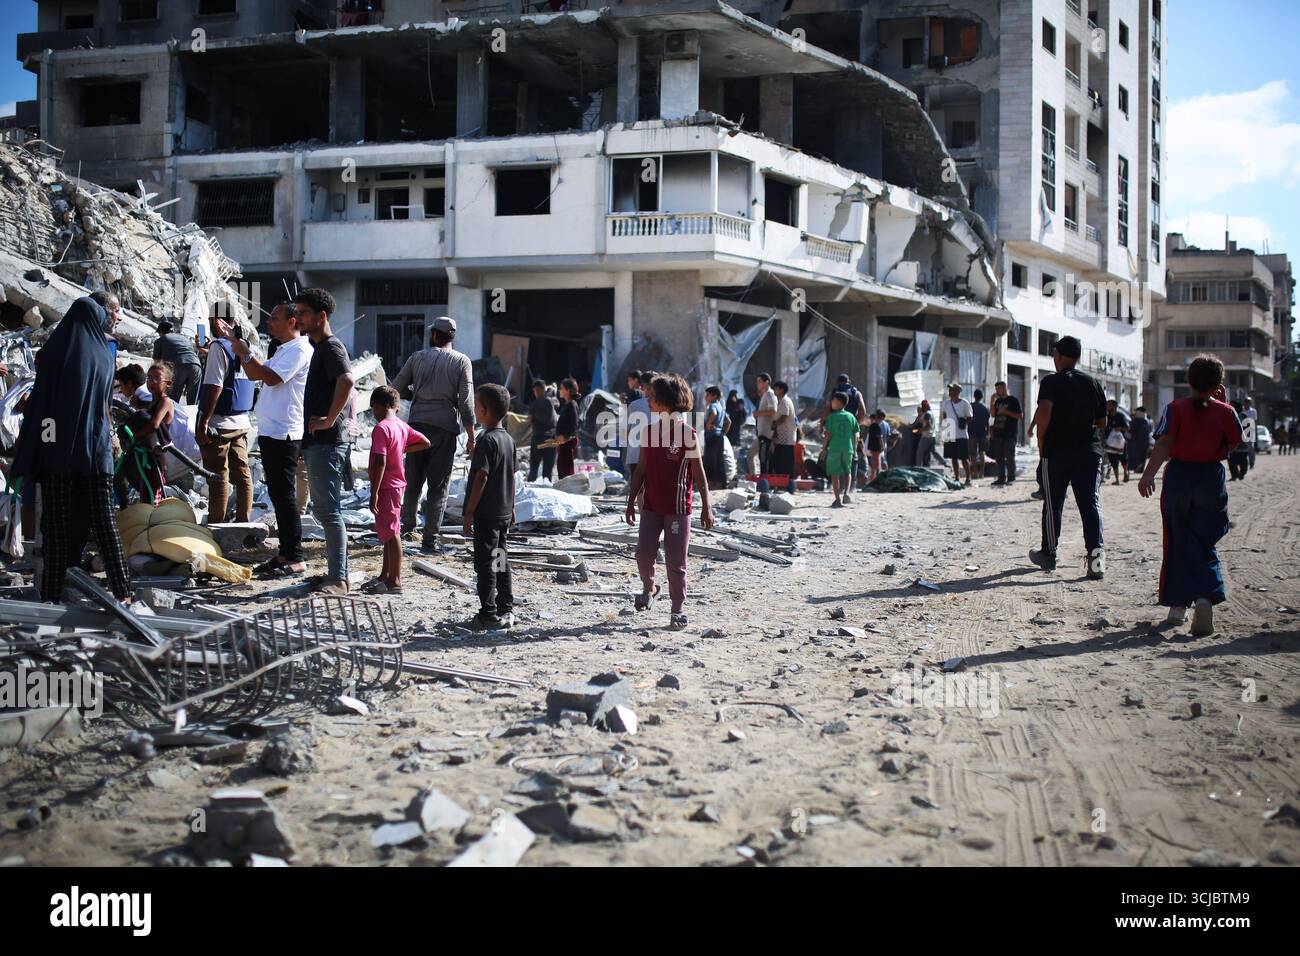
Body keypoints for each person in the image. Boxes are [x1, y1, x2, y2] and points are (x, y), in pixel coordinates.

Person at [11, 297, 132, 603]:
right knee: (105, 524)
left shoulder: (55, 353)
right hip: (96, 451)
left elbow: (44, 407)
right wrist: (109, 439)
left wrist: (44, 442)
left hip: (59, 454)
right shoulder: (104, 356)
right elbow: (103, 407)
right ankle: (124, 592)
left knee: (55, 528)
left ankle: (50, 594)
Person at [1138, 354, 1244, 637]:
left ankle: (1177, 607)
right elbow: (1234, 443)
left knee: (1177, 537)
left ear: (1188, 380)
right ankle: (1205, 597)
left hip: (1179, 477)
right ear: (1218, 383)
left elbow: (1164, 442)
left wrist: (1148, 474)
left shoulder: (1176, 408)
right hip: (1210, 477)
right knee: (1204, 538)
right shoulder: (1226, 412)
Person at [624, 373, 714, 630]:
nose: (648, 400)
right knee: (643, 554)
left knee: (676, 563)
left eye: (652, 396)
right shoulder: (649, 432)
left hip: (677, 510)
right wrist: (631, 501)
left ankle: (677, 609)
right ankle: (650, 589)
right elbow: (640, 470)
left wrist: (707, 507)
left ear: (667, 400)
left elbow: (699, 475)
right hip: (651, 506)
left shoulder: (688, 434)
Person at [234, 303, 313, 579]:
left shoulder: (300, 349)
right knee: (279, 497)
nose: (269, 323)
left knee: (285, 496)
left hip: (285, 433)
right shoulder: (284, 348)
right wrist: (242, 353)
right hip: (272, 431)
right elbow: (257, 373)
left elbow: (269, 378)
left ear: (293, 321)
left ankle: (296, 556)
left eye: (275, 318)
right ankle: (285, 553)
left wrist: (245, 354)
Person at [391, 316, 476, 555]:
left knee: (413, 479)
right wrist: (471, 436)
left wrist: (409, 395)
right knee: (439, 485)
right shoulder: (461, 361)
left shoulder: (417, 358)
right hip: (445, 428)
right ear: (452, 337)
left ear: (433, 335)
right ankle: (430, 540)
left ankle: (407, 528)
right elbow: (466, 402)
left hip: (416, 425)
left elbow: (396, 387)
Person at [1028, 336, 1108, 578]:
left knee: (1053, 504)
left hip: (1057, 451)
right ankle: (1097, 562)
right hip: (1089, 452)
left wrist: (1041, 441)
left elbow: (1044, 411)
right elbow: (1102, 421)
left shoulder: (1051, 382)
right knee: (1090, 504)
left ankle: (1049, 554)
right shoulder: (1093, 382)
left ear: (1059, 356)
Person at [297, 288, 355, 595]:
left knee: (330, 512)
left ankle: (339, 579)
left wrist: (329, 419)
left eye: (303, 313)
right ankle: (335, 573)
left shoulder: (331, 347)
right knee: (324, 511)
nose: (299, 318)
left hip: (328, 442)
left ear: (321, 316)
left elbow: (347, 381)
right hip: (319, 442)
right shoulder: (320, 348)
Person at [364, 386, 430, 595]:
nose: (373, 413)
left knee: (392, 534)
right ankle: (385, 574)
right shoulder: (401, 426)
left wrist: (374, 491)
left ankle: (395, 581)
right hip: (396, 484)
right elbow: (424, 442)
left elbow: (381, 461)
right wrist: (401, 448)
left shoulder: (382, 428)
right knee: (387, 531)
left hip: (386, 485)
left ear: (380, 405)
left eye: (373, 408)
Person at [463, 383, 517, 630]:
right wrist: (513, 507)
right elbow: (512, 476)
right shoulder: (508, 439)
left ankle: (489, 613)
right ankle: (506, 606)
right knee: (500, 558)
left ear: (484, 410)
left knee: (485, 562)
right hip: (504, 512)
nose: (474, 410)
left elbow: (481, 477)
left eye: (476, 406)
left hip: (486, 513)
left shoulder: (487, 441)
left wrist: (470, 512)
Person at [195, 313, 255, 524]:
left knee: (218, 476)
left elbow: (214, 386)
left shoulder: (218, 348)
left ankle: (216, 526)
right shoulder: (245, 346)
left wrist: (203, 421)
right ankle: (243, 525)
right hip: (242, 422)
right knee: (243, 476)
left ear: (214, 322)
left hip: (219, 425)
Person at [119, 361, 176, 506]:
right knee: (145, 492)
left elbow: (154, 424)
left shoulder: (165, 402)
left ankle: (153, 523)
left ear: (168, 383)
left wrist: (133, 439)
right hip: (146, 455)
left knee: (152, 496)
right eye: (149, 378)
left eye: (157, 379)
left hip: (155, 458)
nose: (151, 382)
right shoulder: (151, 401)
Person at [153, 320, 202, 404]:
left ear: (161, 332)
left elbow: (157, 363)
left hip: (179, 365)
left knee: (172, 401)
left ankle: (171, 415)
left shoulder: (162, 339)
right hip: (196, 365)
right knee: (193, 401)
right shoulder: (184, 338)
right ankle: (194, 416)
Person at [822, 391, 858, 506]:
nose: (832, 402)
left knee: (834, 474)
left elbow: (828, 435)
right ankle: (846, 494)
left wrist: (823, 449)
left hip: (834, 449)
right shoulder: (851, 417)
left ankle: (837, 499)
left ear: (839, 402)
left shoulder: (831, 418)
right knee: (848, 472)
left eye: (833, 400)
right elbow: (856, 435)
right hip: (848, 448)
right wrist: (855, 450)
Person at [989, 380, 1022, 486]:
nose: (997, 391)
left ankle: (1011, 478)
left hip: (1009, 434)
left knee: (1010, 457)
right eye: (996, 389)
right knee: (999, 457)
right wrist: (992, 401)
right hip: (998, 433)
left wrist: (1006, 412)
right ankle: (1001, 478)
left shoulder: (1013, 400)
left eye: (999, 388)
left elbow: (1020, 416)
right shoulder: (997, 401)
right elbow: (993, 415)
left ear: (1004, 388)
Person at [940, 383, 973, 486]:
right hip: (950, 433)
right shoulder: (946, 403)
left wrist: (962, 423)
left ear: (958, 392)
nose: (950, 392)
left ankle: (968, 478)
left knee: (964, 458)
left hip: (961, 434)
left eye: (952, 390)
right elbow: (944, 415)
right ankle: (957, 477)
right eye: (949, 390)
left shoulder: (964, 403)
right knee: (953, 457)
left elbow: (970, 417)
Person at [624, 371, 653, 478]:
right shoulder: (663, 406)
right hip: (655, 456)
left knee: (638, 488)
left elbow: (626, 432)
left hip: (636, 455)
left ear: (642, 387)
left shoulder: (633, 405)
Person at [527, 380, 558, 481]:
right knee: (547, 470)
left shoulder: (534, 404)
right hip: (550, 439)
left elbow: (530, 420)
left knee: (534, 467)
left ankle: (529, 490)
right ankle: (547, 491)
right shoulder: (551, 402)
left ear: (536, 390)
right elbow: (554, 420)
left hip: (537, 438)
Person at [770, 379, 797, 485]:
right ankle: (781, 482)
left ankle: (787, 483)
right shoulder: (780, 400)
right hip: (781, 438)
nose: (774, 391)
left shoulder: (785, 401)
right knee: (779, 461)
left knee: (785, 462)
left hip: (787, 438)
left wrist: (774, 424)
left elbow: (784, 416)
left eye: (776, 389)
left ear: (781, 390)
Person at [701, 385, 729, 489]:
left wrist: (708, 424)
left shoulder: (713, 406)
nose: (706, 397)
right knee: (719, 461)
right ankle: (722, 483)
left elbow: (714, 414)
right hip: (719, 437)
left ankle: (712, 483)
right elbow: (728, 422)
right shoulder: (721, 407)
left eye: (708, 395)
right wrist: (723, 433)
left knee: (710, 461)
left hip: (712, 437)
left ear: (714, 396)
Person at [555, 377, 580, 479]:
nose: (559, 390)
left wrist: (564, 437)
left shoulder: (572, 405)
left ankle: (567, 492)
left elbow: (573, 424)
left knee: (566, 470)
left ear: (568, 390)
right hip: (564, 443)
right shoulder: (567, 405)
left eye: (562, 388)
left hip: (568, 442)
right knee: (562, 467)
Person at [754, 372, 777, 474]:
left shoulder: (770, 394)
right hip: (762, 432)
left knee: (764, 457)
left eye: (759, 381)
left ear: (766, 382)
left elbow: (773, 411)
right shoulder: (765, 395)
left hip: (766, 433)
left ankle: (765, 481)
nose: (757, 384)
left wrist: (758, 413)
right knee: (762, 457)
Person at [1103, 398, 1130, 484]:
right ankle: (1117, 479)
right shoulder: (1107, 416)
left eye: (1109, 405)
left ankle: (1126, 473)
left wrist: (1120, 428)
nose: (1108, 407)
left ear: (1114, 406)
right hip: (1110, 442)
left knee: (1123, 458)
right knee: (1113, 460)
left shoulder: (1121, 416)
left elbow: (1127, 427)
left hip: (1120, 442)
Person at [969, 388, 990, 479]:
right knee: (982, 453)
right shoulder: (985, 408)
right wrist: (988, 433)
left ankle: (975, 473)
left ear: (974, 396)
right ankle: (982, 473)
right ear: (981, 397)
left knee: (973, 454)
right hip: (982, 433)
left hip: (972, 432)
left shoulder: (970, 406)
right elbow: (988, 422)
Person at [1127, 406, 1153, 477]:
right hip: (1146, 442)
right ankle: (1140, 469)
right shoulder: (1148, 421)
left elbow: (1131, 431)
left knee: (1135, 455)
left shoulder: (1135, 421)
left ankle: (1136, 468)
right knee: (1143, 456)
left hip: (1135, 442)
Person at [1227, 401, 1250, 480]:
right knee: (1232, 461)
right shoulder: (1228, 415)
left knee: (1243, 461)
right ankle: (1234, 475)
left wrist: (1248, 441)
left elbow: (1249, 430)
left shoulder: (1244, 417)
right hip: (1232, 442)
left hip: (1242, 443)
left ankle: (1241, 474)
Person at [912, 400, 937, 467]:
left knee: (920, 453)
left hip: (926, 436)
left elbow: (927, 426)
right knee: (933, 452)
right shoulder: (930, 413)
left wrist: (918, 431)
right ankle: (945, 464)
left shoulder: (927, 414)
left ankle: (918, 467)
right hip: (931, 436)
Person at [865, 410, 885, 484]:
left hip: (872, 448)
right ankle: (872, 481)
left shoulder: (872, 426)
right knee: (876, 465)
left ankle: (872, 480)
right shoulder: (877, 427)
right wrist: (882, 446)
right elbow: (879, 438)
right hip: (876, 448)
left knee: (875, 465)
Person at [1242, 397, 1259, 469]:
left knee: (1251, 448)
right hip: (1243, 430)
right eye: (1246, 402)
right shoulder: (1242, 410)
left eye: (1249, 402)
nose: (1247, 403)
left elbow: (1255, 421)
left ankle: (1252, 462)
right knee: (1242, 448)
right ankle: (1243, 462)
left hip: (1251, 430)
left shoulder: (1253, 411)